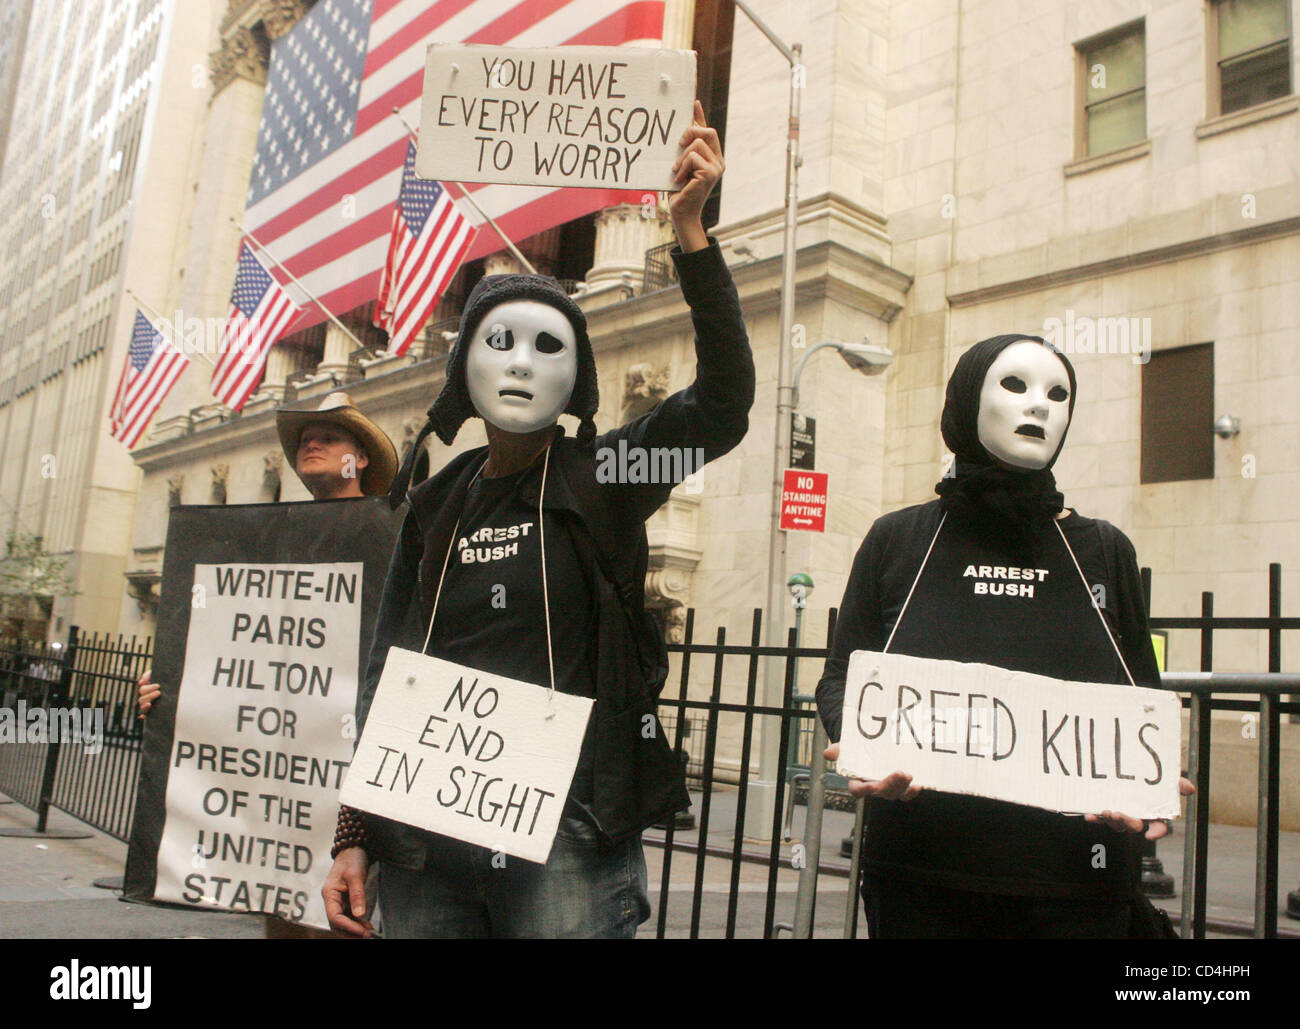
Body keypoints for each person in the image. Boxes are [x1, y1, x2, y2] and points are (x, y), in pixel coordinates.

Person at [322, 102, 754, 939]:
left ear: (579, 379)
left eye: (548, 347)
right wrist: (355, 832)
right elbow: (389, 664)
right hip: (426, 840)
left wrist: (691, 234)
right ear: (464, 371)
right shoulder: (433, 502)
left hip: (568, 838)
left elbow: (726, 405)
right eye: (501, 342)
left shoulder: (611, 475)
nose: (521, 363)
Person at [816, 333, 1192, 939]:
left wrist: (1144, 783)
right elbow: (840, 679)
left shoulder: (1103, 549)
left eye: (1058, 393)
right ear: (967, 400)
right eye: (1014, 385)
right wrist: (862, 745)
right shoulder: (897, 540)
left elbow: (1138, 697)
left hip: (1077, 884)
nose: (1038, 405)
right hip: (922, 876)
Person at [137, 392, 397, 938]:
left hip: (353, 782)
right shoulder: (265, 543)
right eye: (305, 436)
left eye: (330, 435)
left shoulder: (393, 539)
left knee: (339, 921)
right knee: (280, 915)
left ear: (362, 458)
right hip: (278, 787)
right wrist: (171, 697)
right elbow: (238, 656)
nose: (311, 441)